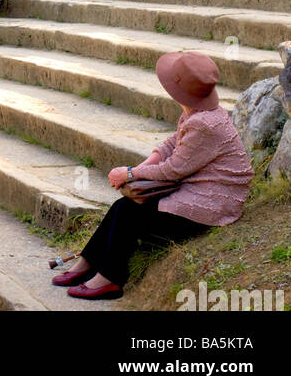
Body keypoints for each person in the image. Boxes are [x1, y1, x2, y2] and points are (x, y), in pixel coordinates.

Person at [52, 50, 253, 300]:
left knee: (129, 213)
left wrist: (129, 173)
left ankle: (110, 279)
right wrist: (141, 168)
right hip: (198, 192)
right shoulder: (198, 112)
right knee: (121, 207)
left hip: (212, 207)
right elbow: (172, 143)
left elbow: (173, 170)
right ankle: (87, 263)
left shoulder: (204, 123)